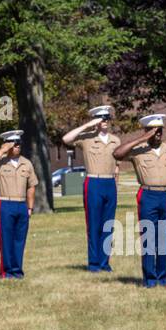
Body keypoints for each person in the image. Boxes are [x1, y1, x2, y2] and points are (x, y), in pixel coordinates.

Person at [114, 114, 166, 287]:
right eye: (153, 131)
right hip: (148, 195)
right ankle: (150, 279)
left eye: (159, 131)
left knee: (165, 239)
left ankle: (164, 278)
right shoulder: (139, 150)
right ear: (147, 131)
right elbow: (117, 154)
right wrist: (142, 138)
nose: (157, 134)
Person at [61, 105, 119, 272]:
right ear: (96, 121)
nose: (105, 122)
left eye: (107, 118)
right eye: (101, 119)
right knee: (94, 224)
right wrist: (87, 125)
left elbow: (117, 166)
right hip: (94, 182)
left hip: (110, 183)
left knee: (108, 225)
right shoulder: (86, 138)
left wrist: (116, 182)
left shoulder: (116, 141)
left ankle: (104, 262)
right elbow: (66, 139)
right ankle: (94, 263)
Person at [0, 130, 36, 279]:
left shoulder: (27, 163)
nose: (17, 146)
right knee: (6, 239)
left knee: (19, 240)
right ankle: (7, 272)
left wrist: (30, 207)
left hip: (21, 205)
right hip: (5, 204)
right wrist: (2, 150)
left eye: (19, 143)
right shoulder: (0, 161)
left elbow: (31, 186)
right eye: (14, 143)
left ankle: (17, 271)